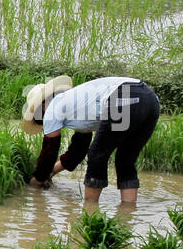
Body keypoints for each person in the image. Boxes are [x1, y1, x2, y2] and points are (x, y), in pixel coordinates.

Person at [22, 74, 161, 206]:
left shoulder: (52, 108)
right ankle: (128, 211)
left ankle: (90, 210)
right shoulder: (76, 104)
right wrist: (52, 172)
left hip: (124, 96)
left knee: (97, 155)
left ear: (43, 105)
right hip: (151, 101)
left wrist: (37, 181)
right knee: (125, 159)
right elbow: (78, 150)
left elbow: (49, 151)